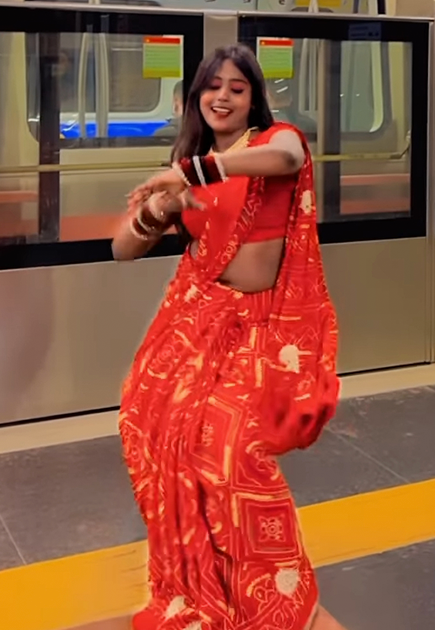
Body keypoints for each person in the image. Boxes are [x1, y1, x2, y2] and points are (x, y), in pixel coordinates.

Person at [110, 44, 346, 630]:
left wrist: (195, 173)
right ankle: (202, 590)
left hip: (260, 329)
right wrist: (157, 210)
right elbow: (122, 249)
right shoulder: (185, 163)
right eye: (213, 87)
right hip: (196, 321)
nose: (223, 97)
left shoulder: (272, 142)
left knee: (230, 455)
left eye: (237, 88)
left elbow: (289, 158)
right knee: (147, 428)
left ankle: (278, 594)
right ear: (195, 98)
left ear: (253, 98)